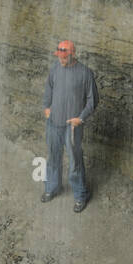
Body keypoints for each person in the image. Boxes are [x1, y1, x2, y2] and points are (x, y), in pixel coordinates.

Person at [42, 39, 99, 213]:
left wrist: (80, 118)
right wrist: (47, 107)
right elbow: (49, 88)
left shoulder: (85, 73)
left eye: (64, 56)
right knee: (53, 157)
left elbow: (93, 100)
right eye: (59, 56)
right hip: (53, 123)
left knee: (75, 162)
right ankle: (52, 188)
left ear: (73, 54)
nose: (61, 59)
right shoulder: (55, 68)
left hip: (72, 127)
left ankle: (80, 196)